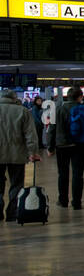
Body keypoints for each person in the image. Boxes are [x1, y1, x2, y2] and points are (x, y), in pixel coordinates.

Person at [0, 88, 41, 219]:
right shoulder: (23, 111)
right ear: (14, 98)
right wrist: (33, 152)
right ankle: (12, 213)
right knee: (16, 184)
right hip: (18, 154)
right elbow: (30, 135)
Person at [54, 86, 84, 209]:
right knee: (77, 174)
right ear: (80, 97)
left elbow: (52, 128)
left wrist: (50, 146)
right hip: (78, 145)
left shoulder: (59, 109)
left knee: (63, 174)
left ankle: (63, 200)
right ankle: (77, 202)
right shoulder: (83, 109)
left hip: (62, 145)